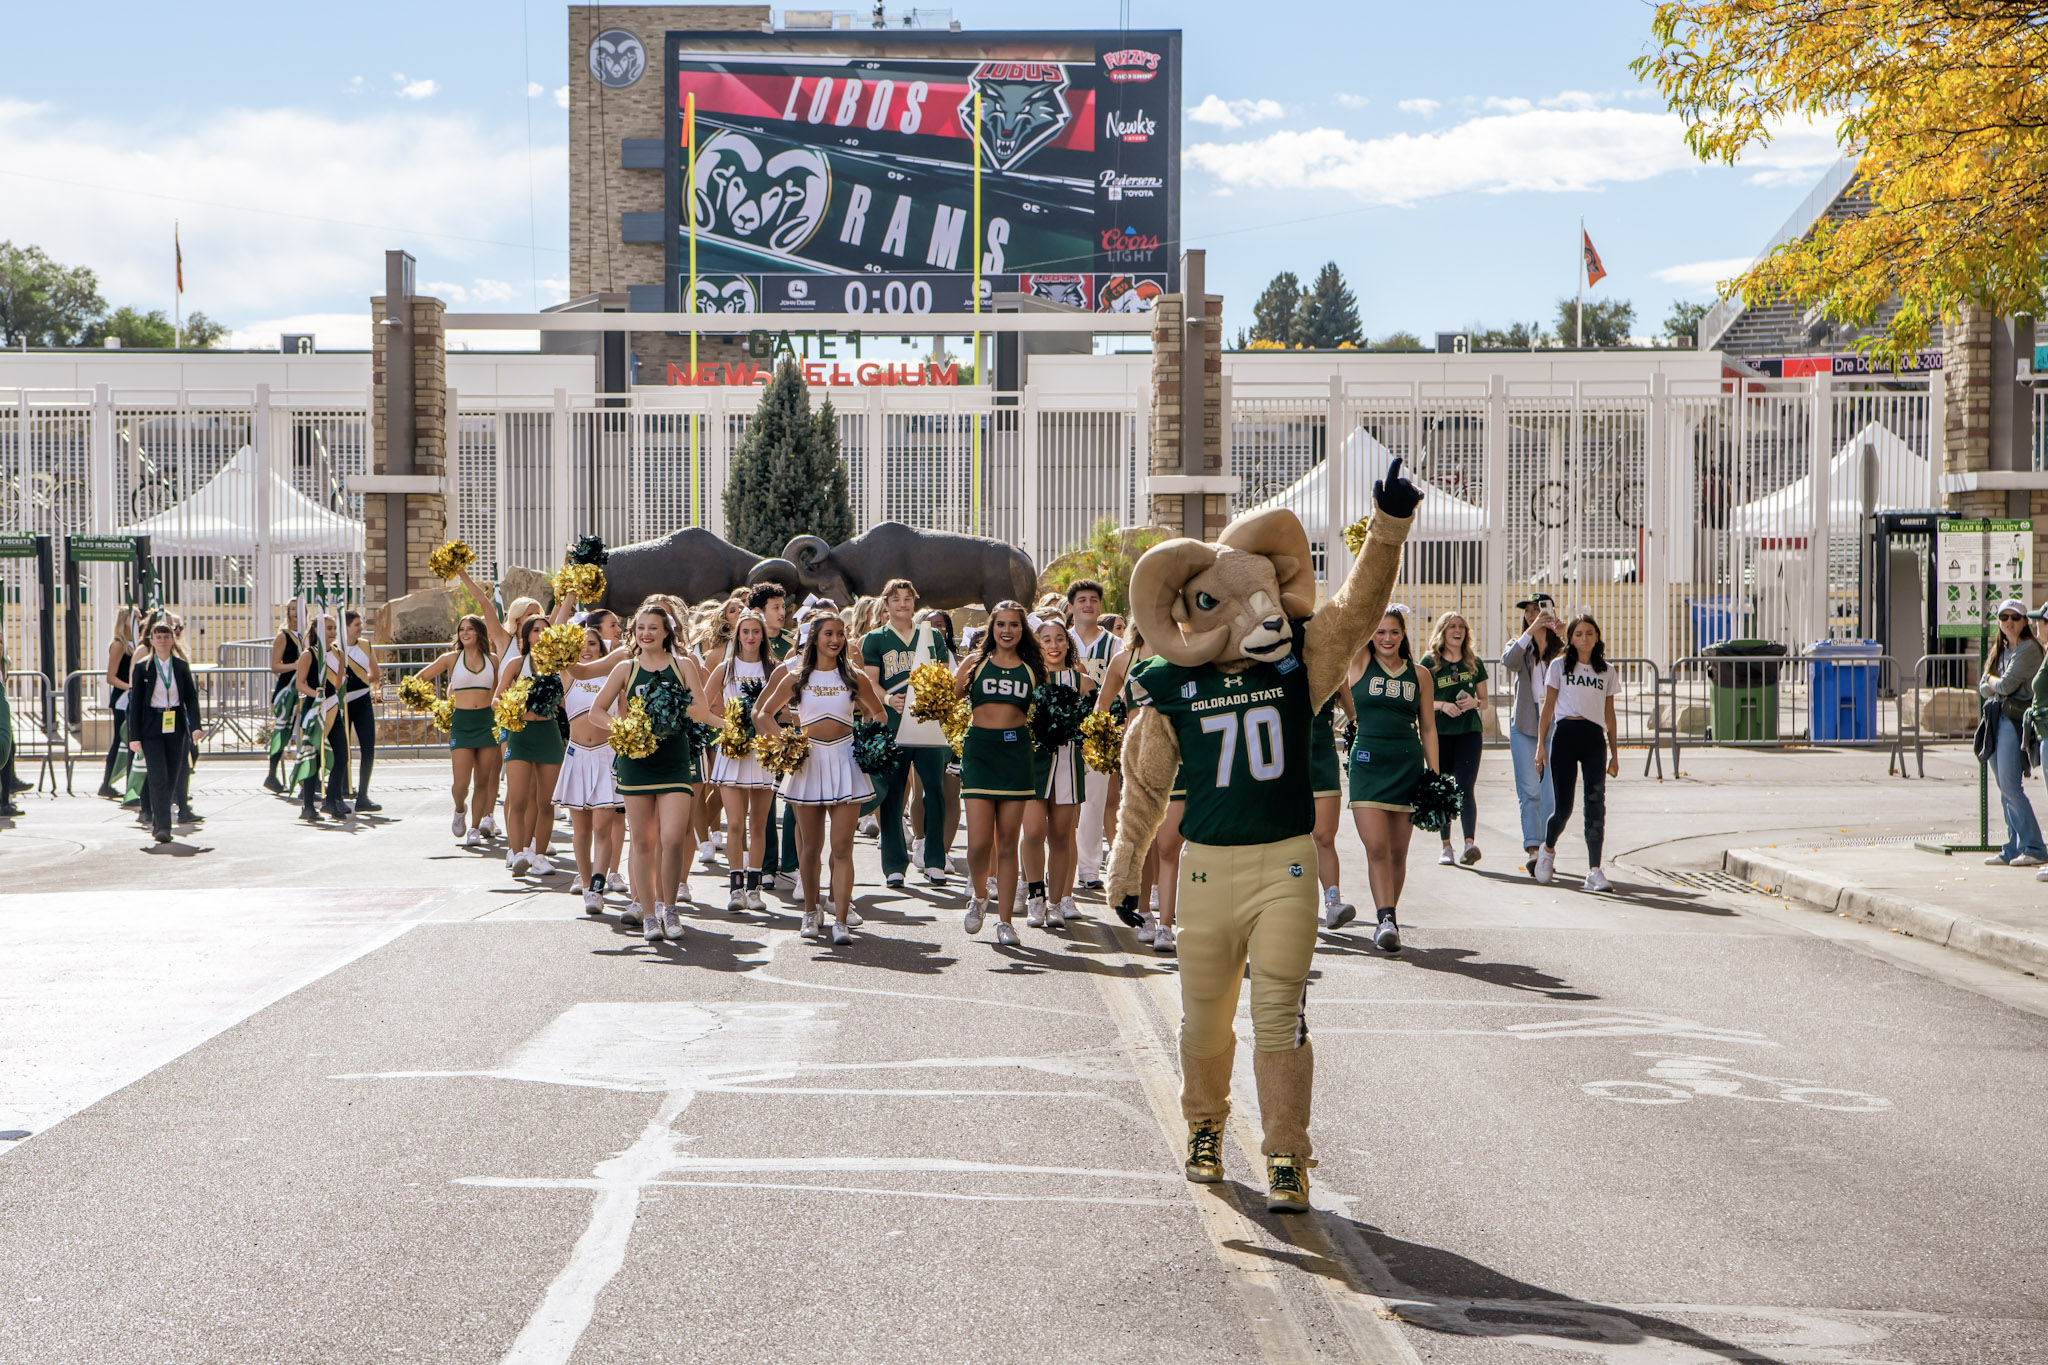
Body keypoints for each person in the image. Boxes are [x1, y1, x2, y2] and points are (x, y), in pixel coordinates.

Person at [758, 614, 887, 944]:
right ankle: (810, 911)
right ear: (813, 637)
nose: (836, 639)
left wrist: (868, 743)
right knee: (811, 846)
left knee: (843, 847)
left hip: (845, 760)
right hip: (808, 762)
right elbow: (762, 714)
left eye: (841, 634)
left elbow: (878, 713)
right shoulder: (794, 675)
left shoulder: (853, 675)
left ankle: (841, 919)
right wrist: (786, 745)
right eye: (829, 633)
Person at [592, 603, 713, 942]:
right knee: (643, 841)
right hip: (636, 760)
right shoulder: (625, 668)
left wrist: (672, 715)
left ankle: (669, 908)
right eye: (640, 627)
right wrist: (626, 727)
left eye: (653, 628)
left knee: (672, 838)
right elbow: (596, 712)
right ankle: (647, 914)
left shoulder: (683, 665)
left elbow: (701, 708)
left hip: (674, 759)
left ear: (666, 633)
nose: (645, 633)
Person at [953, 602, 1046, 946]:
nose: (1007, 630)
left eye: (1014, 625)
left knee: (1008, 843)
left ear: (1023, 631)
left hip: (1016, 755)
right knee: (978, 843)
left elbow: (1045, 711)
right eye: (1001, 624)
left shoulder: (1033, 668)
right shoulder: (975, 664)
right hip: (980, 752)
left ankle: (1006, 921)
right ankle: (980, 896)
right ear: (991, 628)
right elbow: (946, 699)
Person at [1346, 608, 1439, 951]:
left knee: (1398, 853)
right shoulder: (1359, 663)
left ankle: (1390, 916)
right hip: (1368, 766)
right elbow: (1356, 617)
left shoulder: (1420, 674)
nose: (1387, 638)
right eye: (1380, 631)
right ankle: (1385, 919)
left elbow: (1428, 726)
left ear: (1403, 634)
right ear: (1372, 634)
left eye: (1394, 632)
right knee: (1377, 848)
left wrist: (1435, 775)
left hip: (1407, 767)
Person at [860, 579, 954, 890]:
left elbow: (941, 677)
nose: (903, 603)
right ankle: (894, 864)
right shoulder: (874, 639)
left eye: (908, 598)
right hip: (893, 725)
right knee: (893, 795)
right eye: (896, 599)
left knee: (934, 792)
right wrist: (888, 699)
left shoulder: (932, 636)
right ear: (885, 604)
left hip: (927, 725)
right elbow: (870, 681)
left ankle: (935, 859)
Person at [1534, 613, 1621, 892]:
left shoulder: (1606, 670)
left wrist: (1615, 752)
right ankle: (1547, 850)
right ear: (1570, 638)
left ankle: (1594, 870)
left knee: (1596, 804)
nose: (1584, 638)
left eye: (1590, 633)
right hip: (1565, 737)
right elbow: (1547, 708)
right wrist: (1540, 746)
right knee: (1564, 807)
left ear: (1597, 637)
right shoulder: (1559, 666)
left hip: (1593, 738)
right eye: (1579, 634)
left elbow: (1609, 713)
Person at [1023, 615, 1097, 929]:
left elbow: (1099, 724)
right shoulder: (1027, 678)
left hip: (1069, 764)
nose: (1054, 646)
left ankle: (1056, 903)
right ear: (1037, 645)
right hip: (1031, 765)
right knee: (1034, 833)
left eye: (1059, 639)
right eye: (1047, 639)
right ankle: (1035, 897)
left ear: (1069, 644)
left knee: (1062, 837)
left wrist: (1090, 745)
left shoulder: (1083, 682)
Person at [553, 625, 628, 913]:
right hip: (577, 756)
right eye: (582, 643)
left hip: (605, 755)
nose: (587, 648)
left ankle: (599, 885)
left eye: (593, 643)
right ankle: (586, 886)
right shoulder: (569, 675)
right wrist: (570, 593)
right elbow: (556, 629)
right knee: (581, 829)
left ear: (601, 648)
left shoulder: (614, 677)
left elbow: (623, 714)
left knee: (602, 827)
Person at [709, 611, 778, 912]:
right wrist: (729, 724)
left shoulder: (774, 669)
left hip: (763, 751)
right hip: (733, 751)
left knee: (759, 824)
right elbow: (703, 705)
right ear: (737, 635)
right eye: (745, 631)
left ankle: (755, 886)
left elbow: (785, 709)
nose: (750, 637)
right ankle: (735, 887)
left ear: (763, 636)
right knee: (735, 823)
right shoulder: (726, 669)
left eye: (755, 632)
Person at [413, 614, 501, 846]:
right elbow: (419, 679)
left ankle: (474, 828)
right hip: (462, 722)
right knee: (460, 784)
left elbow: (499, 691)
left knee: (483, 780)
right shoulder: (450, 658)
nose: (465, 633)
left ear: (479, 632)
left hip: (487, 722)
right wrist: (434, 704)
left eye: (470, 629)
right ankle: (460, 809)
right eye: (462, 629)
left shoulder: (493, 660)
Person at [499, 614, 567, 877]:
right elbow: (498, 697)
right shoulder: (517, 664)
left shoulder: (559, 666)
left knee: (546, 801)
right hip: (520, 733)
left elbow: (566, 701)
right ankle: (517, 853)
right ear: (526, 636)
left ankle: (538, 855)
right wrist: (513, 704)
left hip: (548, 733)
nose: (540, 634)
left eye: (544, 629)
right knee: (518, 798)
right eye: (535, 630)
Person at [1979, 598, 2045, 867]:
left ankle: (2033, 847)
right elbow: (1984, 687)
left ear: (2025, 621)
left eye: (2015, 617)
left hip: (2014, 719)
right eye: (2004, 617)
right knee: (2003, 788)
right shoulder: (2002, 650)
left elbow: (2001, 685)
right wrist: (1993, 684)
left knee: (2010, 786)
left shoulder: (2029, 649)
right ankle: (2012, 847)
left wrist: (1992, 683)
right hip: (1997, 718)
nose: (2009, 622)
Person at [126, 618, 204, 844]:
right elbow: (137, 703)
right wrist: (134, 736)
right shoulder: (144, 668)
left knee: (172, 774)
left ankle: (161, 817)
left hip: (175, 725)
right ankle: (162, 826)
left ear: (172, 639)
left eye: (166, 636)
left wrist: (196, 726)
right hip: (152, 725)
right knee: (158, 775)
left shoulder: (180, 666)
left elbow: (190, 697)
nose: (162, 640)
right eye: (158, 637)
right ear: (151, 641)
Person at [1502, 595, 1563, 874]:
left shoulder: (1562, 647)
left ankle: (1548, 847)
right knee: (1529, 790)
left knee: (1550, 793)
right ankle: (1533, 847)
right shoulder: (1520, 645)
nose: (1532, 615)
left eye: (1537, 610)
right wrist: (1530, 631)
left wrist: (1564, 633)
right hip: (1525, 724)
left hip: (1555, 724)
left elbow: (1590, 661)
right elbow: (1509, 661)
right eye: (1527, 612)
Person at [1423, 611, 1488, 867]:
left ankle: (1469, 844)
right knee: (1442, 789)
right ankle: (1446, 846)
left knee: (1465, 788)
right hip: (1438, 733)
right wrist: (1441, 705)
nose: (1457, 630)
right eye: (1452, 626)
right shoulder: (1428, 663)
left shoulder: (1474, 662)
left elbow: (1485, 701)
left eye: (1461, 626)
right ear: (1442, 632)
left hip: (1468, 732)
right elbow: (1420, 699)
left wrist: (1475, 703)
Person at [1065, 579, 1119, 891]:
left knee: (1094, 801)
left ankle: (1087, 868)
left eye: (1094, 600)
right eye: (1082, 600)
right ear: (1071, 607)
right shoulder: (1060, 639)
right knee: (1060, 802)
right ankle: (1059, 864)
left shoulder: (1114, 643)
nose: (1088, 605)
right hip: (1062, 730)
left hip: (1098, 731)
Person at [96, 611, 136, 799]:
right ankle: (106, 783)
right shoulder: (119, 645)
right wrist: (130, 687)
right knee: (119, 741)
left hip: (130, 698)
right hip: (122, 699)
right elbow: (110, 676)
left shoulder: (133, 643)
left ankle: (119, 783)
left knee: (127, 742)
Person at [263, 603, 302, 793]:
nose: (296, 613)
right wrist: (295, 665)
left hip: (302, 690)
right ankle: (271, 774)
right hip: (286, 690)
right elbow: (275, 666)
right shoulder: (283, 636)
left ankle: (304, 776)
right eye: (293, 609)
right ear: (288, 612)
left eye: (300, 608)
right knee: (282, 732)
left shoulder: (307, 636)